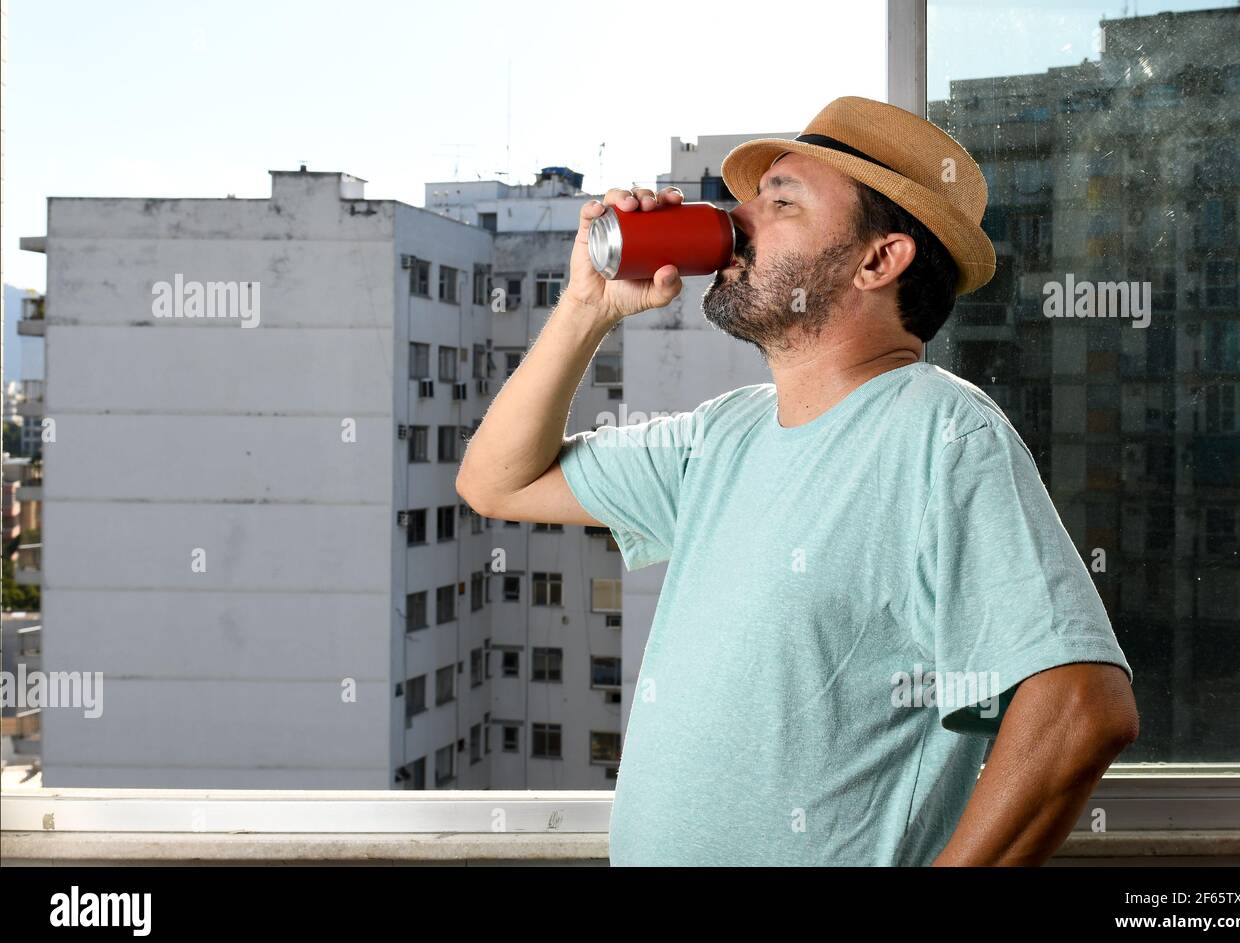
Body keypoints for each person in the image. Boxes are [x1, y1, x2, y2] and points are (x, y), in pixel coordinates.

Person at [457, 95, 1138, 866]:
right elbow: (498, 484)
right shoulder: (725, 435)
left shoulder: (939, 431)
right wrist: (587, 306)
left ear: (879, 259)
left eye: (781, 201)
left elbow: (1081, 708)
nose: (737, 219)